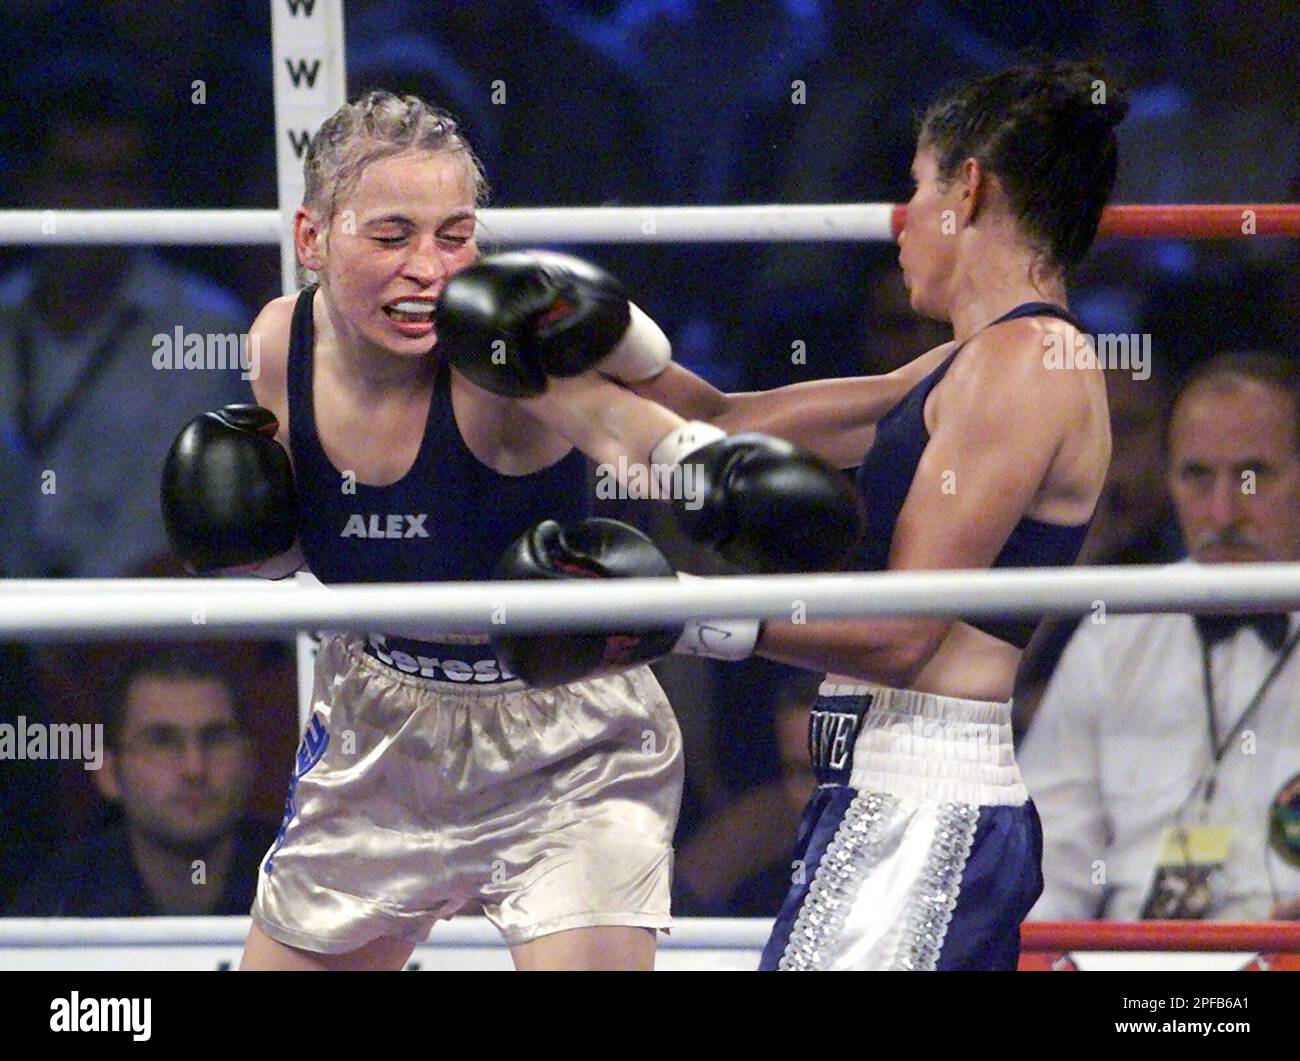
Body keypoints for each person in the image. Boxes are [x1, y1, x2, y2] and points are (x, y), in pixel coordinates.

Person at [160, 92, 861, 971]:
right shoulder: (278, 346)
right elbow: (333, 531)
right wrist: (262, 548)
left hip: (565, 735)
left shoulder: (498, 357)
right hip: (379, 720)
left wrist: (705, 471)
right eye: (390, 237)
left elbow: (617, 426)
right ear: (312, 240)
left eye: (453, 235)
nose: (429, 268)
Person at [501, 59, 1122, 970]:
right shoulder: (964, 365)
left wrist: (681, 614)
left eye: (915, 188)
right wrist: (581, 341)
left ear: (971, 187)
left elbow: (903, 633)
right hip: (874, 796)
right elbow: (721, 422)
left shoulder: (1031, 363)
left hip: (925, 806)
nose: (901, 226)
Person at [1021, 352, 1300, 922]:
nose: (1224, 511)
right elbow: (1050, 860)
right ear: (1167, 477)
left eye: (1254, 477)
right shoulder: (1116, 626)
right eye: (1198, 476)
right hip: (1127, 964)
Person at [6, 652, 274, 917]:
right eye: (161, 741)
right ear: (109, 772)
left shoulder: (302, 883)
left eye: (215, 739)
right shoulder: (55, 908)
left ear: (248, 762)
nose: (195, 769)